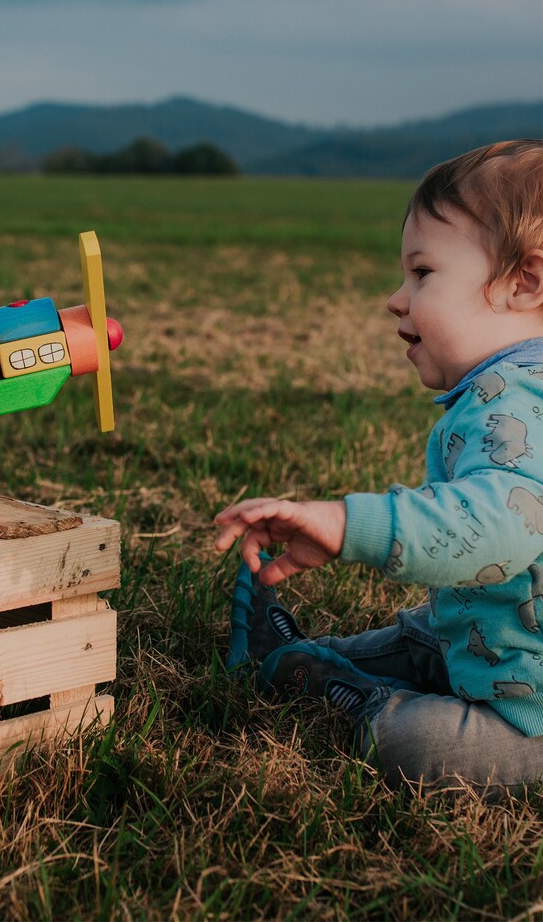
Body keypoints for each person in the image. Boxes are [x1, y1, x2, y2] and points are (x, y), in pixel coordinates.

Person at [214, 140, 543, 795]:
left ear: (523, 282)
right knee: (425, 639)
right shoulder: (505, 390)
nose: (397, 299)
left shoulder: (518, 405)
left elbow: (498, 529)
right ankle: (312, 659)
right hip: (489, 634)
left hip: (529, 709)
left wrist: (348, 524)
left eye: (422, 274)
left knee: (415, 743)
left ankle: (354, 694)